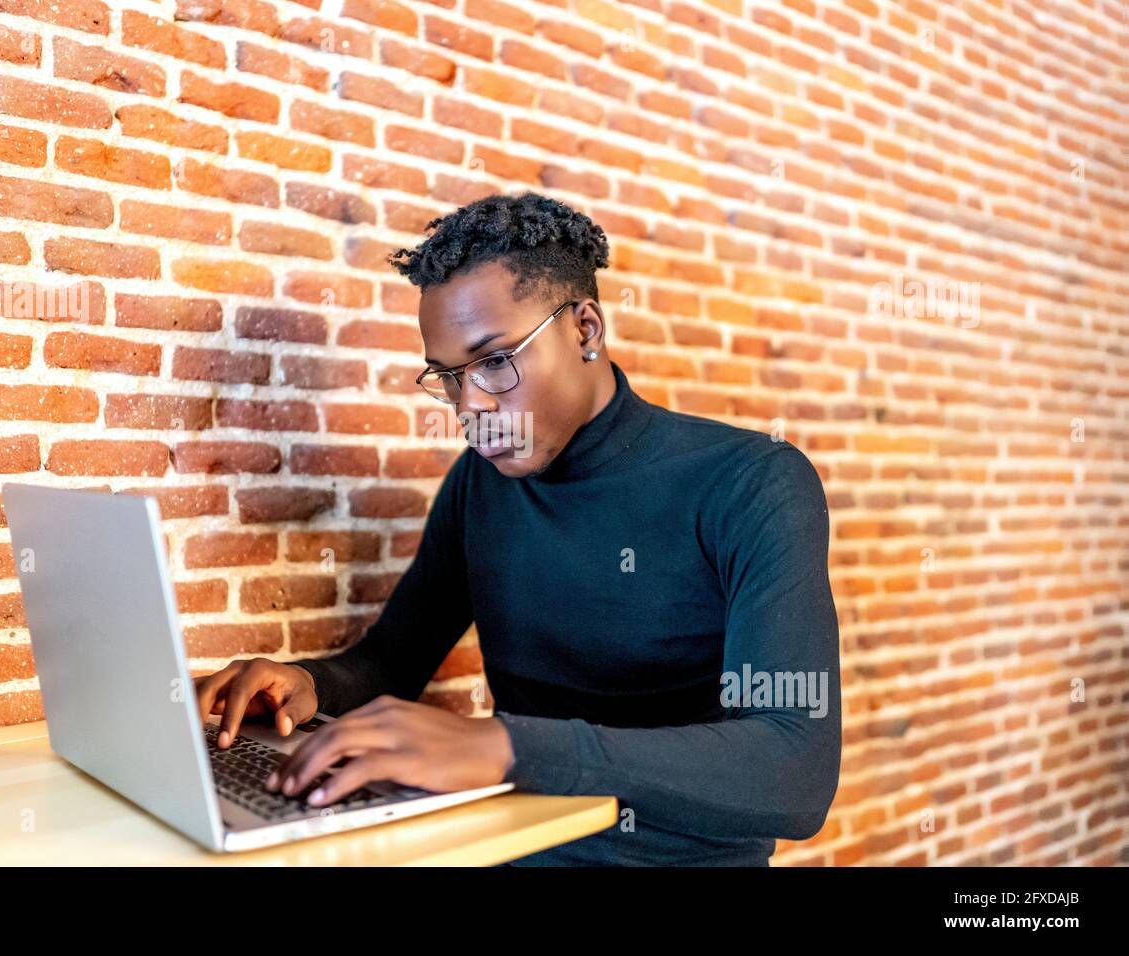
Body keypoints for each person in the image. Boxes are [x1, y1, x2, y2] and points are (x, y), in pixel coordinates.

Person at [194, 191, 842, 865]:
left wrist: (506, 745)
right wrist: (305, 683)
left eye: (496, 361)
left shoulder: (751, 483)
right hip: (503, 851)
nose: (470, 405)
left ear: (585, 329)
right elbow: (390, 662)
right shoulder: (479, 485)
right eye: (449, 376)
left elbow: (795, 769)